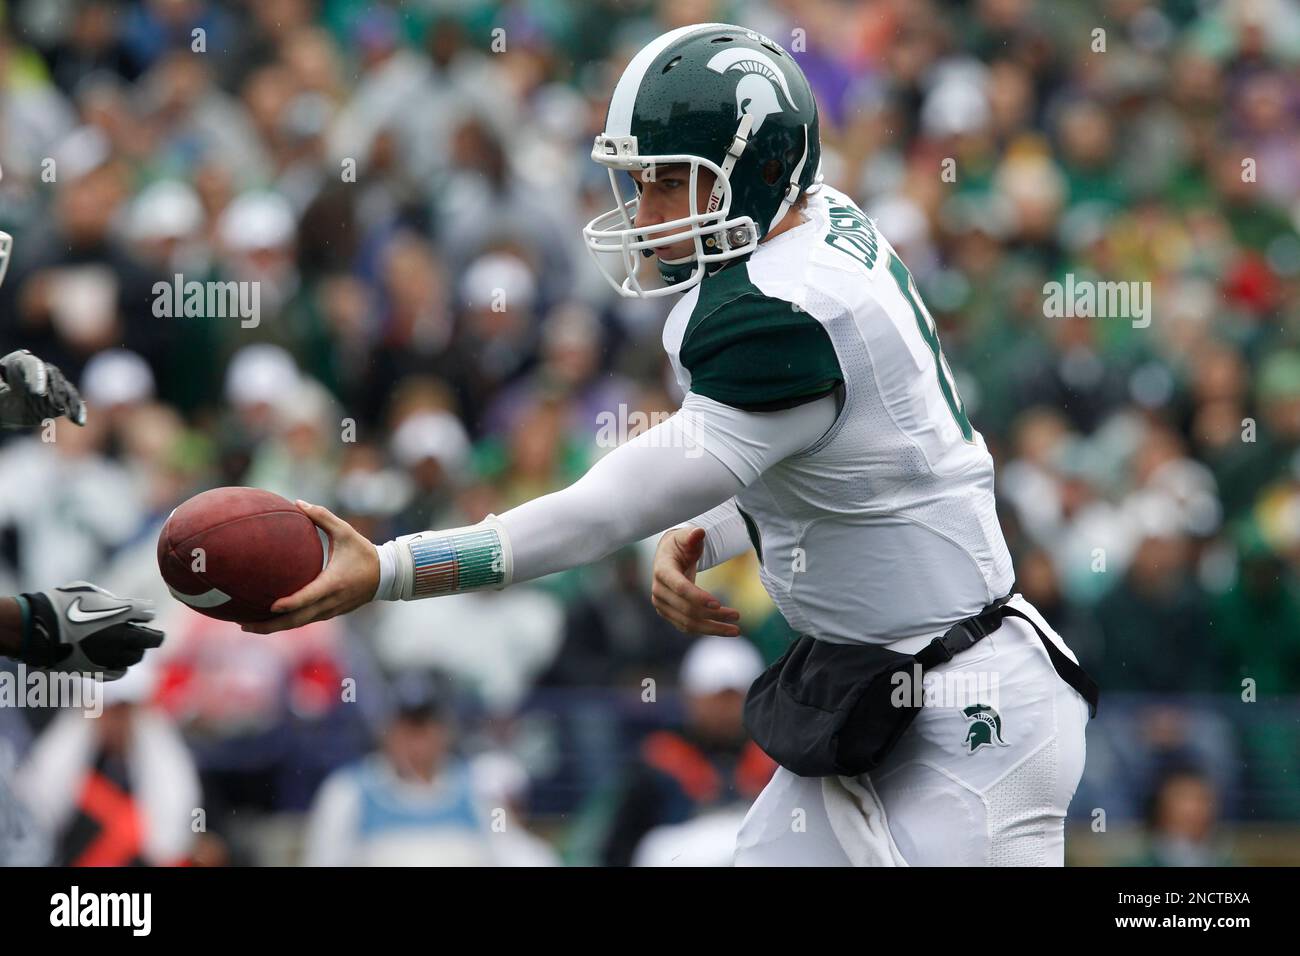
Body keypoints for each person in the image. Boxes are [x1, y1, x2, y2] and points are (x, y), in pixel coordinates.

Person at [244, 23, 1094, 866]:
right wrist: (714, 531)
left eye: (670, 185)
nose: (644, 214)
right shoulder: (811, 224)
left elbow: (599, 513)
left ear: (760, 172)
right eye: (641, 182)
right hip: (871, 691)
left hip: (970, 716)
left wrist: (394, 570)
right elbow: (836, 461)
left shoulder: (788, 312)